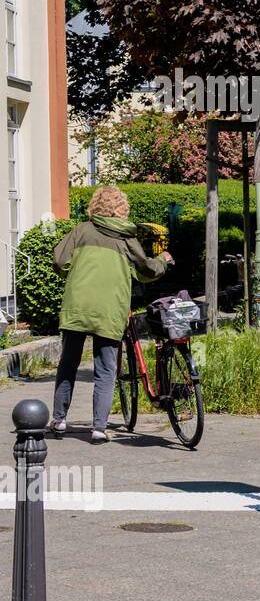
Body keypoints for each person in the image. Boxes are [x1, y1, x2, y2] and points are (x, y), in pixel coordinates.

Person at [49, 186, 173, 442]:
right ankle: (98, 428)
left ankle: (59, 420)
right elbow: (145, 271)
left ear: (95, 206)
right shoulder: (127, 238)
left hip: (78, 306)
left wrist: (73, 273)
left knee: (68, 363)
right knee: (105, 369)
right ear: (121, 208)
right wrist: (162, 260)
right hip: (109, 308)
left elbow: (60, 261)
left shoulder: (81, 230)